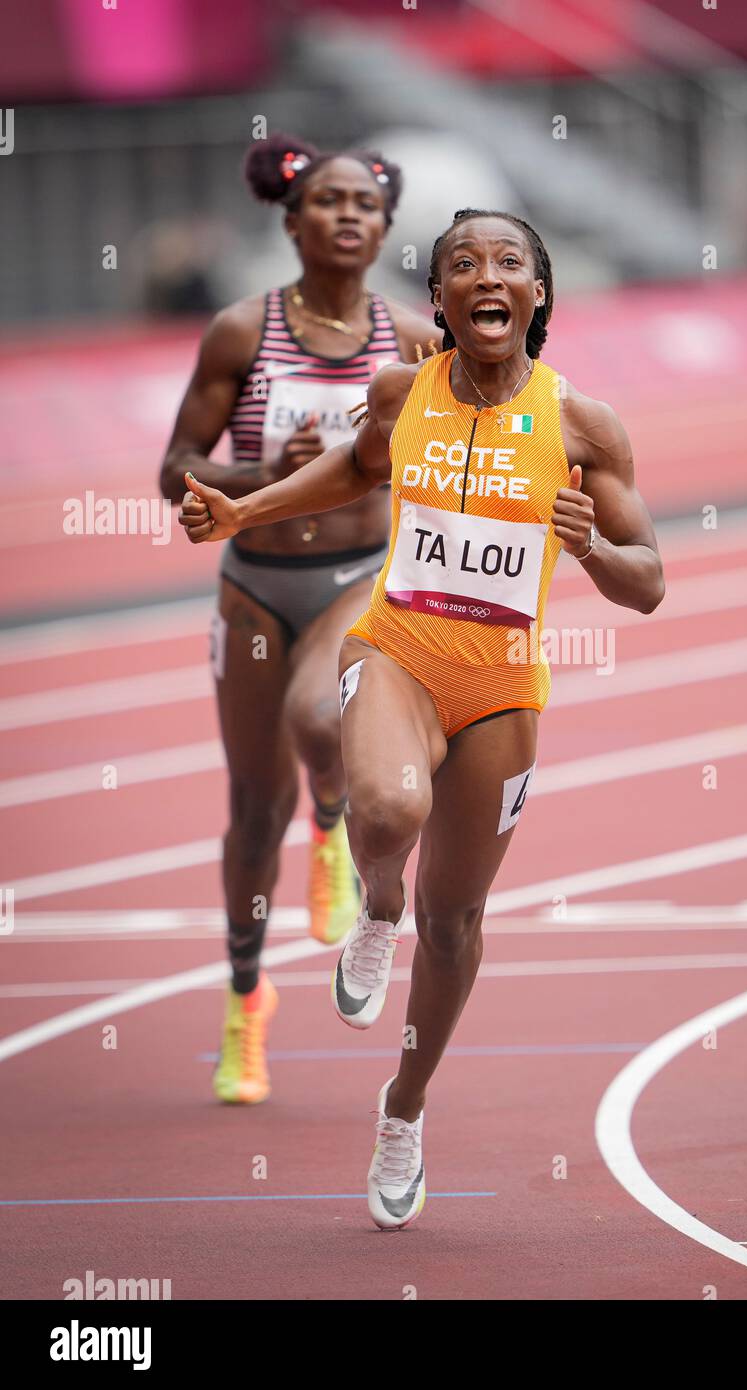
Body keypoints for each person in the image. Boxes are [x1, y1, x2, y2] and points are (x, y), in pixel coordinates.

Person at [178, 209, 665, 1226]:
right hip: (395, 648)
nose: (487, 276)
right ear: (440, 302)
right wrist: (242, 509)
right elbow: (352, 470)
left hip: (502, 690)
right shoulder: (403, 392)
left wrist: (591, 551)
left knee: (458, 923)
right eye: (462, 266)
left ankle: (402, 1107)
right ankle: (376, 903)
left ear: (537, 295)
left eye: (509, 264)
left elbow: (648, 583)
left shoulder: (586, 427)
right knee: (389, 809)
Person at [158, 133, 436, 1106]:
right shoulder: (241, 331)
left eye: (365, 201)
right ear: (291, 219)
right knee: (247, 816)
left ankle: (332, 823)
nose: (348, 214)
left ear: (385, 224)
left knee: (323, 717)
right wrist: (261, 476)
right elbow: (174, 470)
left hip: (359, 573)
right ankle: (245, 1003)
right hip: (256, 584)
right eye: (328, 200)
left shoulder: (412, 342)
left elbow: (449, 461)